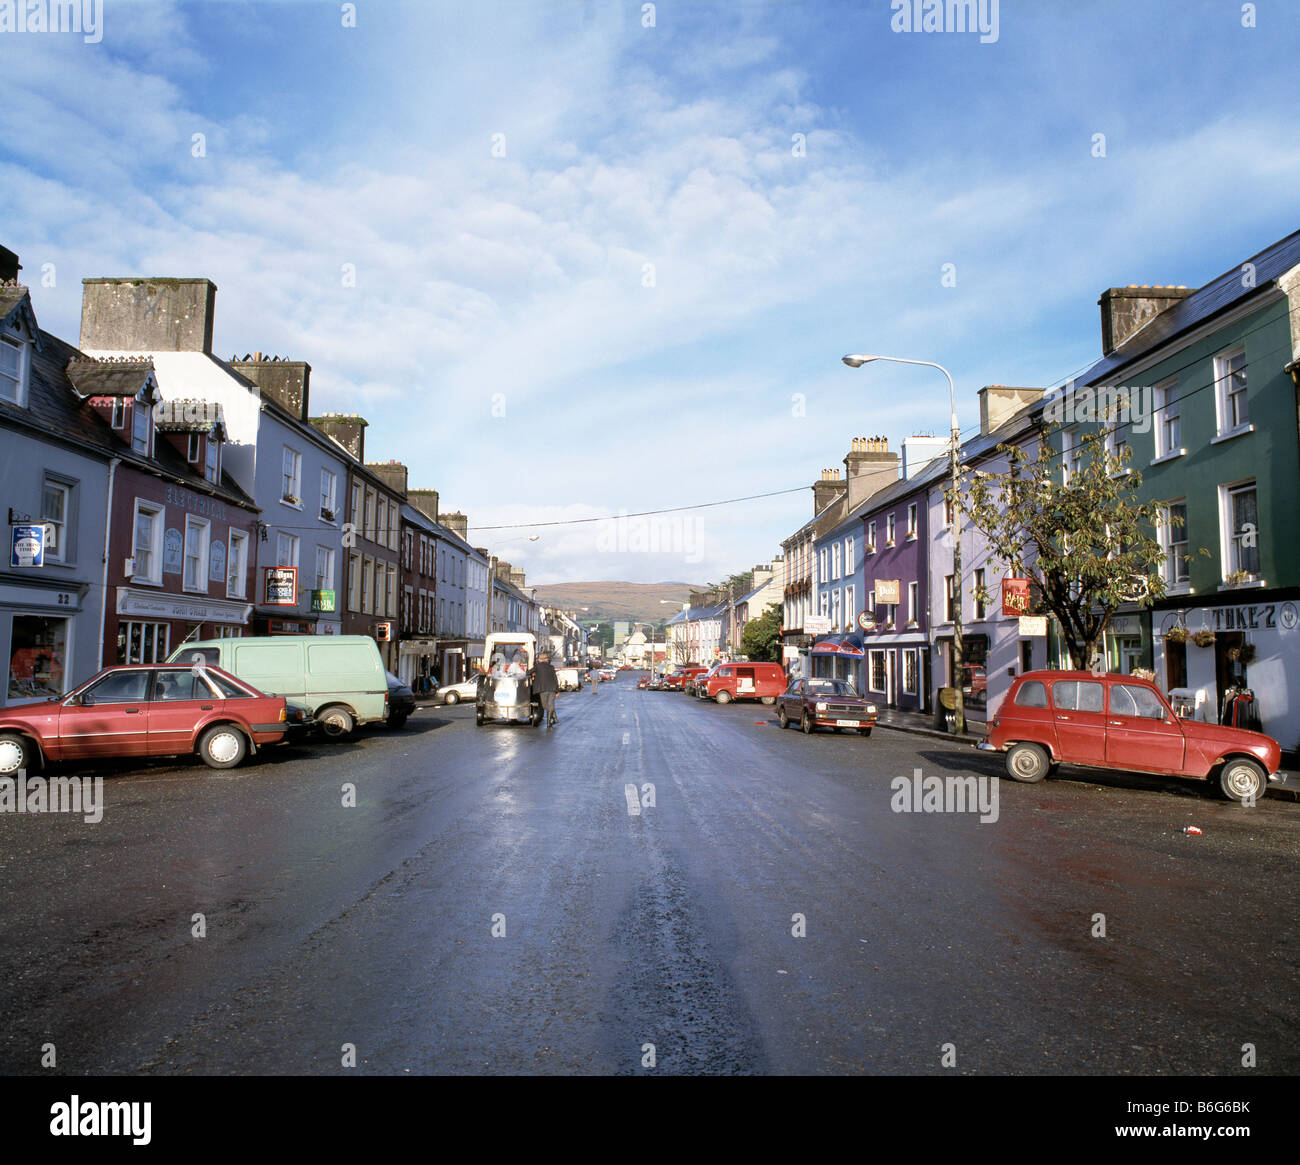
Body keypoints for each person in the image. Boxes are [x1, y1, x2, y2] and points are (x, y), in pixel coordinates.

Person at [530, 651, 560, 726]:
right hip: (552, 688)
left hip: (543, 689)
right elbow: (555, 678)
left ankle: (549, 722)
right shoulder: (551, 667)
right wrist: (557, 690)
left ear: (540, 660)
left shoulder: (537, 666)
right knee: (550, 705)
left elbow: (528, 672)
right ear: (546, 660)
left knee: (545, 706)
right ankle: (554, 718)